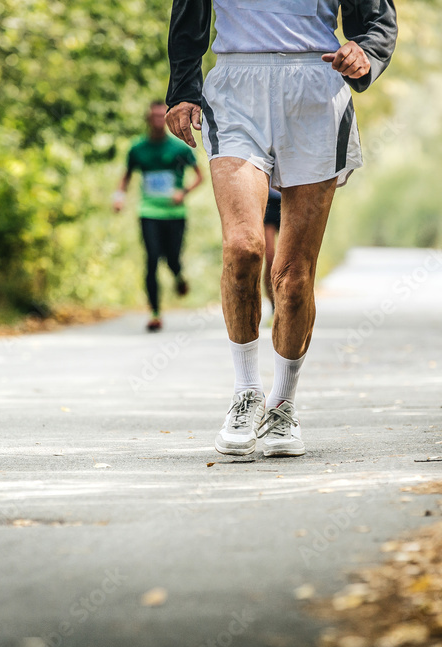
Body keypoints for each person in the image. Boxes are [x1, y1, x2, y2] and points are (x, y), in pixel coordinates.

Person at [165, 1, 397, 456]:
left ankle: (283, 406)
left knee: (292, 278)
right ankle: (247, 393)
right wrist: (182, 89)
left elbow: (377, 19)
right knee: (243, 249)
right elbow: (188, 14)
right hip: (236, 87)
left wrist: (366, 51)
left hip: (317, 88)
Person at [114, 100, 204, 332]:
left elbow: (199, 177)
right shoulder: (137, 149)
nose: (156, 120)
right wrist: (119, 196)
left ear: (165, 119)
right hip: (149, 211)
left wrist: (183, 192)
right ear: (147, 119)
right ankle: (155, 313)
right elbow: (126, 176)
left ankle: (178, 276)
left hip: (174, 213)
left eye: (160, 116)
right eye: (152, 116)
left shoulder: (180, 149)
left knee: (172, 258)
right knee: (152, 258)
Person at [263, 187, 281, 311]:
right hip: (269, 202)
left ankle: (287, 302)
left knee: (291, 259)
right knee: (270, 259)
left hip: (291, 196)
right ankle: (273, 305)